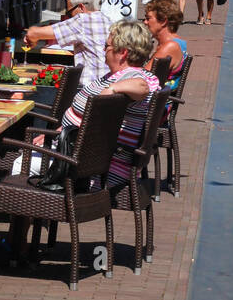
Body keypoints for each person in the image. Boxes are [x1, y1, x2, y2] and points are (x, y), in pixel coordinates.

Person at [60, 19, 159, 191]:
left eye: (107, 46)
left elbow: (143, 87)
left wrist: (113, 88)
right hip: (81, 154)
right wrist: (61, 132)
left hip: (92, 168)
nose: (103, 50)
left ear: (123, 53)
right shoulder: (121, 74)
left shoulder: (132, 77)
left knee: (20, 166)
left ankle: (41, 213)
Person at [26, 0, 114, 87]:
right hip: (106, 88)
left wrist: (33, 39)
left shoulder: (83, 21)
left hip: (90, 91)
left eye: (69, 13)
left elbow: (33, 33)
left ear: (81, 8)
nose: (68, 17)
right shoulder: (108, 21)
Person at [143, 0, 187, 88]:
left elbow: (143, 77)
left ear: (163, 21)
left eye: (148, 18)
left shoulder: (170, 46)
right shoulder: (174, 42)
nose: (145, 22)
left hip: (156, 101)